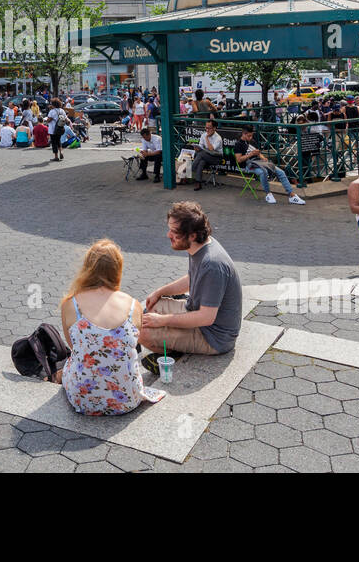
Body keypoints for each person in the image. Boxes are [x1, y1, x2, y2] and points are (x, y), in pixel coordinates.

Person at [52, 240, 145, 416]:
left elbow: (74, 347)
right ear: (118, 269)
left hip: (83, 400)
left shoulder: (71, 304)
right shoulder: (134, 305)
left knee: (69, 364)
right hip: (127, 400)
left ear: (87, 268)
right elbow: (131, 345)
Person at [138, 201, 241, 359]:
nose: (168, 235)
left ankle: (174, 355)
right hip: (196, 314)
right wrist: (160, 292)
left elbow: (206, 318)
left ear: (192, 235)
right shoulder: (200, 245)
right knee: (146, 308)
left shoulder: (212, 264)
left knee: (141, 333)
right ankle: (173, 342)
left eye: (174, 232)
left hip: (213, 337)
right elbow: (191, 279)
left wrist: (162, 321)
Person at [232, 126, 305, 204]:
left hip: (259, 162)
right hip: (248, 165)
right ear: (244, 134)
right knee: (263, 172)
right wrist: (251, 154)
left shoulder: (252, 141)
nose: (251, 137)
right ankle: (268, 194)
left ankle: (292, 196)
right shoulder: (238, 144)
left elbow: (258, 153)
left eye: (252, 135)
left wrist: (263, 157)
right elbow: (239, 160)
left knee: (281, 172)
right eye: (249, 136)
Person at [190, 119, 224, 190]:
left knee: (201, 154)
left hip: (216, 157)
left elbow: (211, 149)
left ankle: (192, 167)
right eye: (206, 128)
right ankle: (198, 182)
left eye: (209, 128)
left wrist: (207, 138)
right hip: (206, 156)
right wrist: (197, 148)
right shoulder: (203, 135)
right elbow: (201, 147)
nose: (207, 130)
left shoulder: (218, 138)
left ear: (214, 128)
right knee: (201, 160)